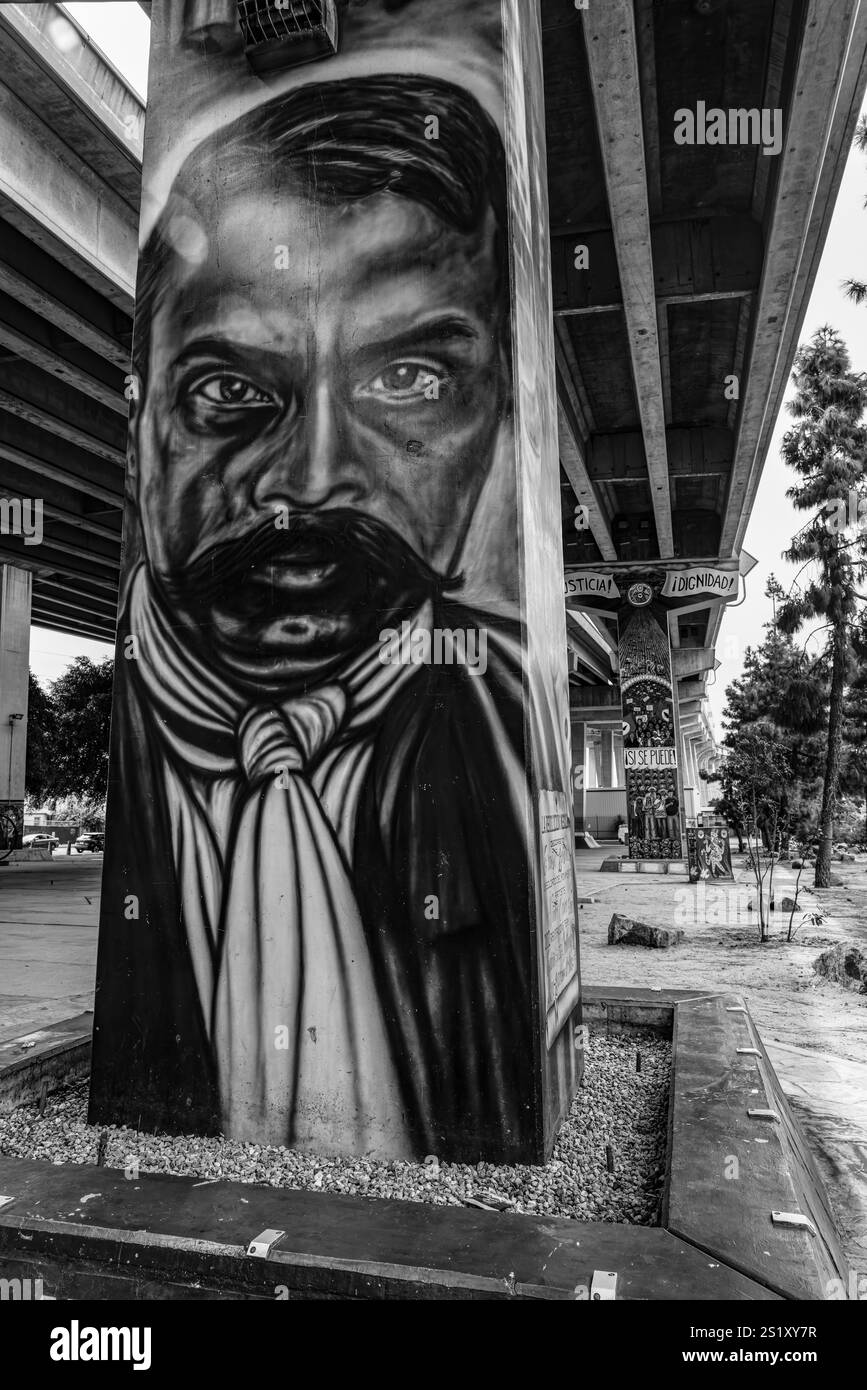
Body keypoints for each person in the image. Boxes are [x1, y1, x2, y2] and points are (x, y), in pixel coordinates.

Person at [89, 75, 548, 1164]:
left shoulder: (494, 717)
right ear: (144, 421)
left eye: (408, 376)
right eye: (230, 392)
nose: (312, 480)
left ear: (493, 420)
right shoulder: (132, 743)